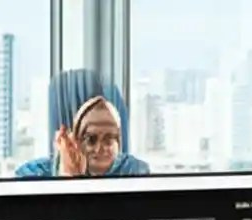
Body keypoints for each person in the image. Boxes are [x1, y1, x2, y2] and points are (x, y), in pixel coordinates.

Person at [15, 69, 150, 177]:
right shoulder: (32, 174)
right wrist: (67, 176)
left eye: (109, 139)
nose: (99, 149)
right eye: (90, 139)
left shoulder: (135, 171)